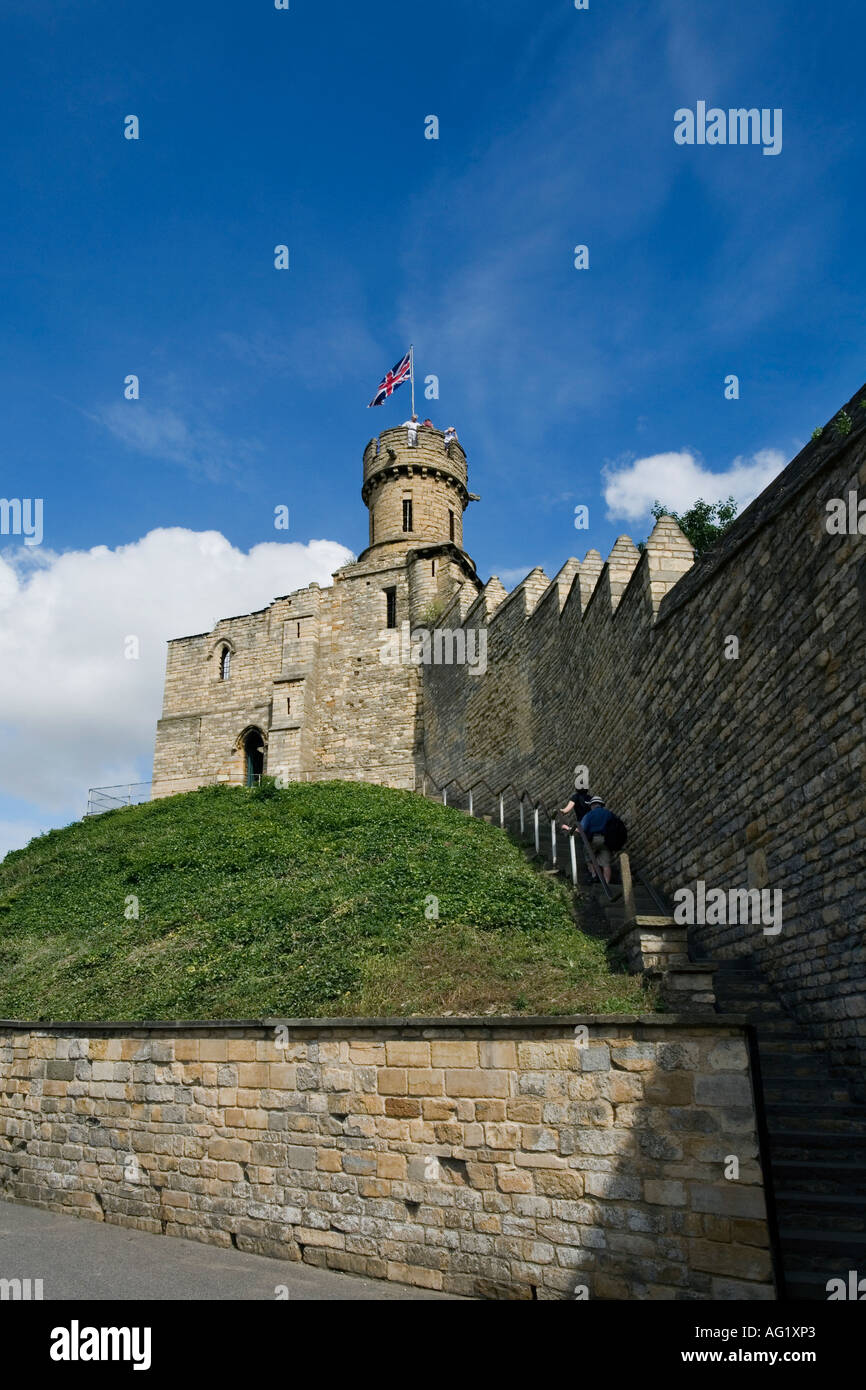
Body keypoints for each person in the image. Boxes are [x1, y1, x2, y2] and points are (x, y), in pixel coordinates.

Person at [579, 795, 616, 885]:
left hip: (594, 839)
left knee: (588, 856)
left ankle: (594, 874)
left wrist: (568, 828)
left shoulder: (589, 815)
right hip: (607, 841)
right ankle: (607, 884)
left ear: (593, 805)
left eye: (591, 805)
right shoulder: (609, 814)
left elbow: (581, 829)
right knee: (606, 864)